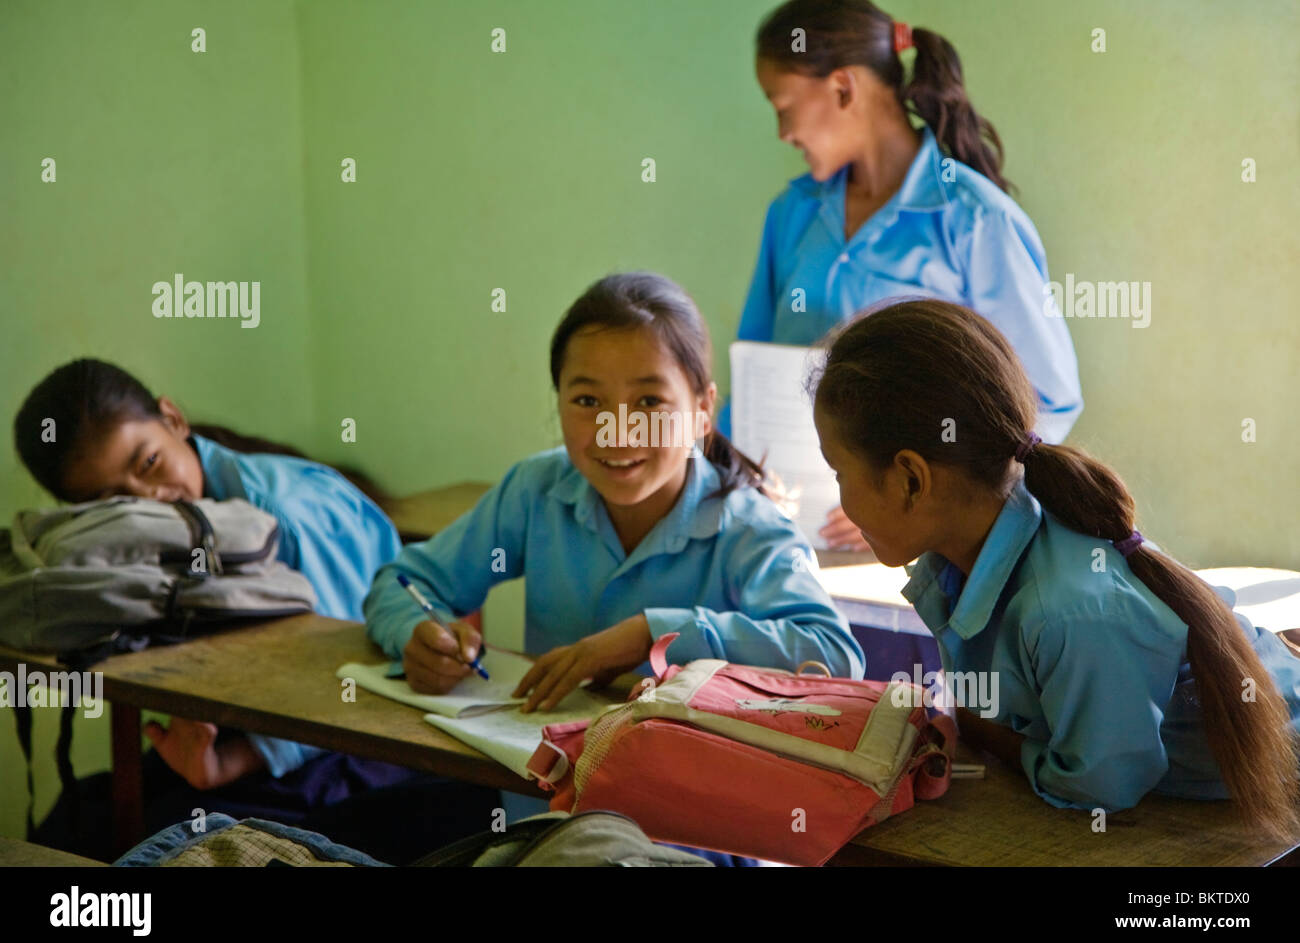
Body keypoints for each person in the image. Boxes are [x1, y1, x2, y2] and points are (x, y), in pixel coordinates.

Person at [364, 272, 863, 863]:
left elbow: (834, 657)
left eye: (650, 401)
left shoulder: (747, 528)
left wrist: (653, 635)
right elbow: (403, 583)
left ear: (704, 410)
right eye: (586, 400)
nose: (616, 427)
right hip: (539, 821)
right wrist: (416, 635)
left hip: (695, 839)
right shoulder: (538, 492)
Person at [811, 298, 1299, 839]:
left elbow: (1102, 786)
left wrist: (989, 736)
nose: (840, 498)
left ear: (911, 479)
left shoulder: (1066, 609)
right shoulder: (955, 561)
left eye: (837, 472)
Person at [11, 359, 498, 862]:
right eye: (110, 501)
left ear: (174, 420)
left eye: (149, 463)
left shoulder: (289, 515)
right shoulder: (156, 535)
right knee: (75, 822)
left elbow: (352, 691)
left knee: (162, 845)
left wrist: (229, 762)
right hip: (251, 735)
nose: (150, 501)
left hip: (357, 745)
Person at [726, 0, 1083, 551]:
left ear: (843, 88)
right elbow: (753, 375)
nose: (782, 132)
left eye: (783, 106)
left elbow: (1049, 405)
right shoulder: (790, 214)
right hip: (791, 540)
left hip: (924, 555)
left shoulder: (977, 220)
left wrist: (915, 503)